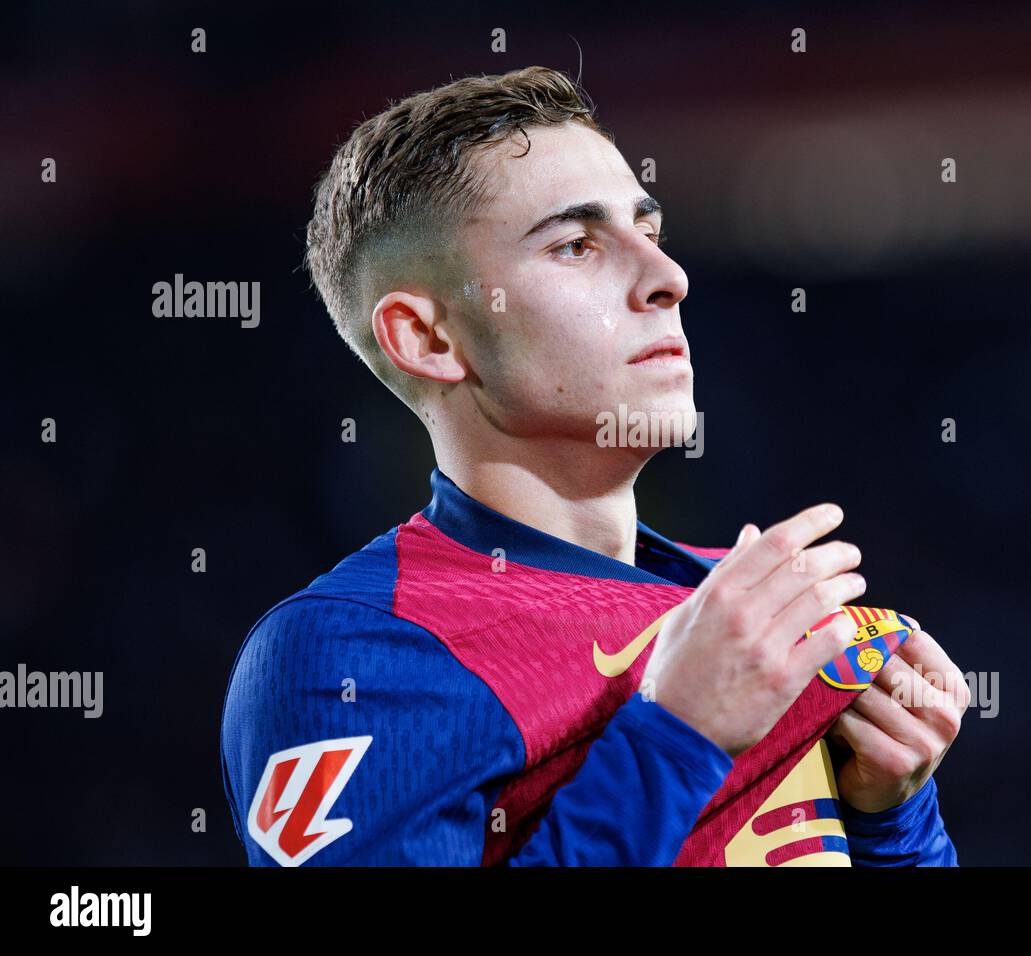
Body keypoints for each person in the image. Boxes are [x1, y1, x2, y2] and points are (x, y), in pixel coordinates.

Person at [220, 65, 966, 866]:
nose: (668, 279)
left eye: (650, 232)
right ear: (428, 339)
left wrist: (893, 821)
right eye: (576, 245)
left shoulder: (751, 614)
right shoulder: (356, 649)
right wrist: (680, 736)